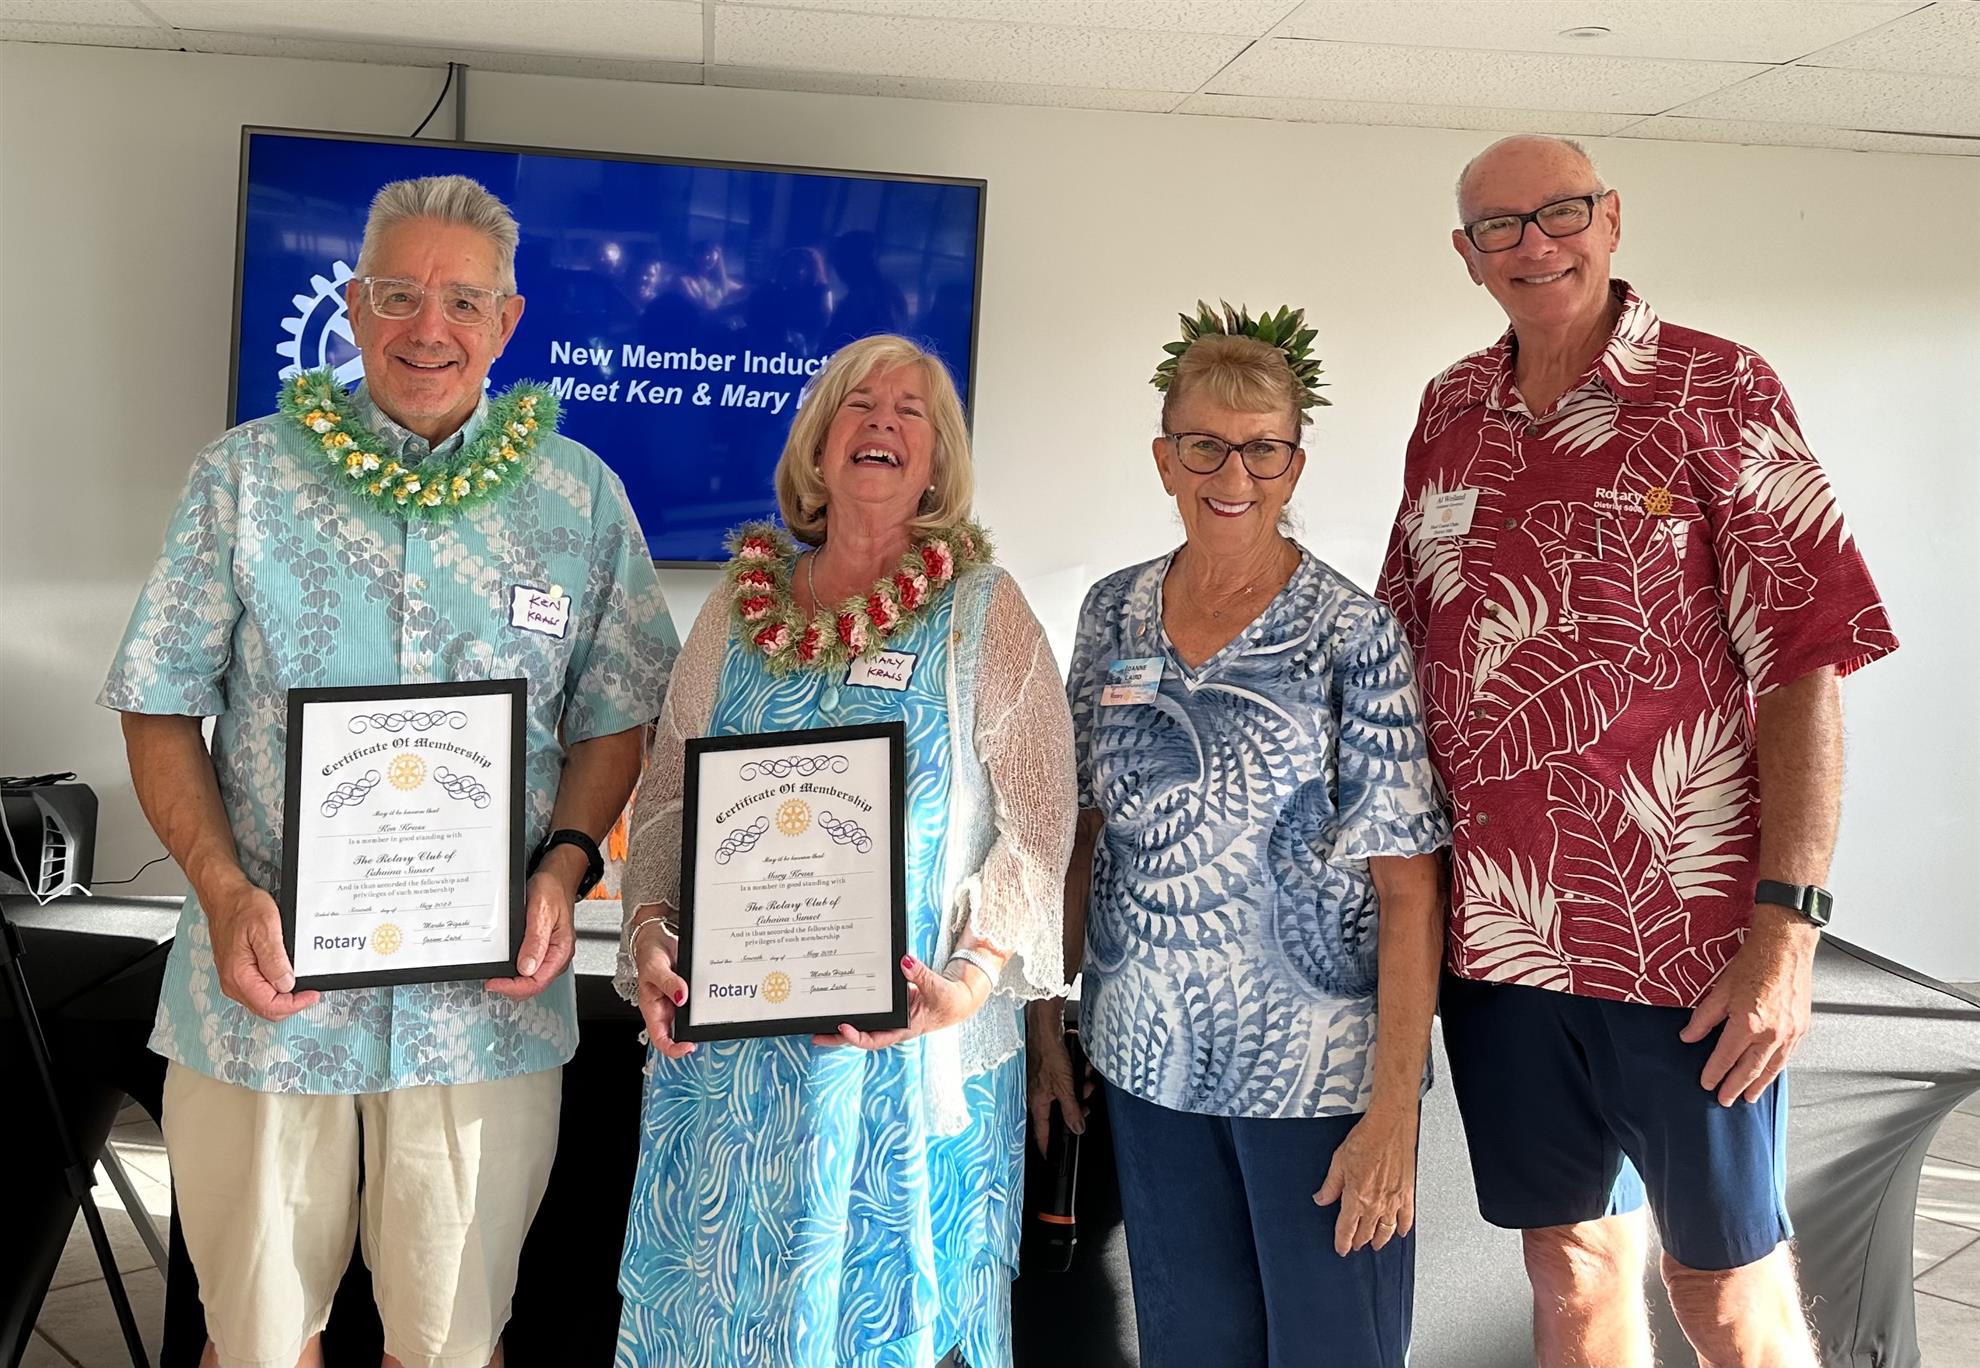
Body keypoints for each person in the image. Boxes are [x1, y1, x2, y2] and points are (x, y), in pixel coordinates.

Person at [101, 174, 677, 1368]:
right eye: (401, 294)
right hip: (265, 997)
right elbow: (158, 704)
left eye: (464, 301)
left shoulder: (579, 501)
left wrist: (567, 868)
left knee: (452, 1347)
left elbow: (617, 719)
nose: (431, 327)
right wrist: (220, 889)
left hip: (480, 1012)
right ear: (355, 306)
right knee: (257, 1346)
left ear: (507, 322)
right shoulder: (243, 479)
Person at [1377, 135, 1899, 1368]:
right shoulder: (1449, 411)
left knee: (1725, 1290)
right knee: (1569, 1268)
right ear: (1466, 255)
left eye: (1560, 212)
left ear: (1611, 218)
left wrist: (1789, 932)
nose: (1534, 244)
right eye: (1500, 227)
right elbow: (1404, 643)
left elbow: (1807, 657)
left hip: (1686, 945)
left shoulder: (1721, 387)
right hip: (1496, 944)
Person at [613, 334, 1076, 1367]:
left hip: (898, 1055)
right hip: (729, 1072)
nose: (882, 424)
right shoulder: (734, 610)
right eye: (859, 406)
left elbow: (1041, 823)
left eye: (911, 412)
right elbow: (669, 800)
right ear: (819, 448)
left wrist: (971, 978)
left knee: (881, 1328)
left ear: (938, 461)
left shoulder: (980, 613)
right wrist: (647, 934)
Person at [1033, 304, 1450, 1368]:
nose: (1235, 474)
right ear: (1164, 460)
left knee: (1331, 1353)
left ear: (1294, 464)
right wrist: (1043, 1014)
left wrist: (1394, 1114)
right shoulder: (1112, 612)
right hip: (1144, 1066)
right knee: (1189, 1350)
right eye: (1206, 446)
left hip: (1318, 1084)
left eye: (1263, 449)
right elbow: (1079, 827)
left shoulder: (1352, 634)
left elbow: (1409, 887)